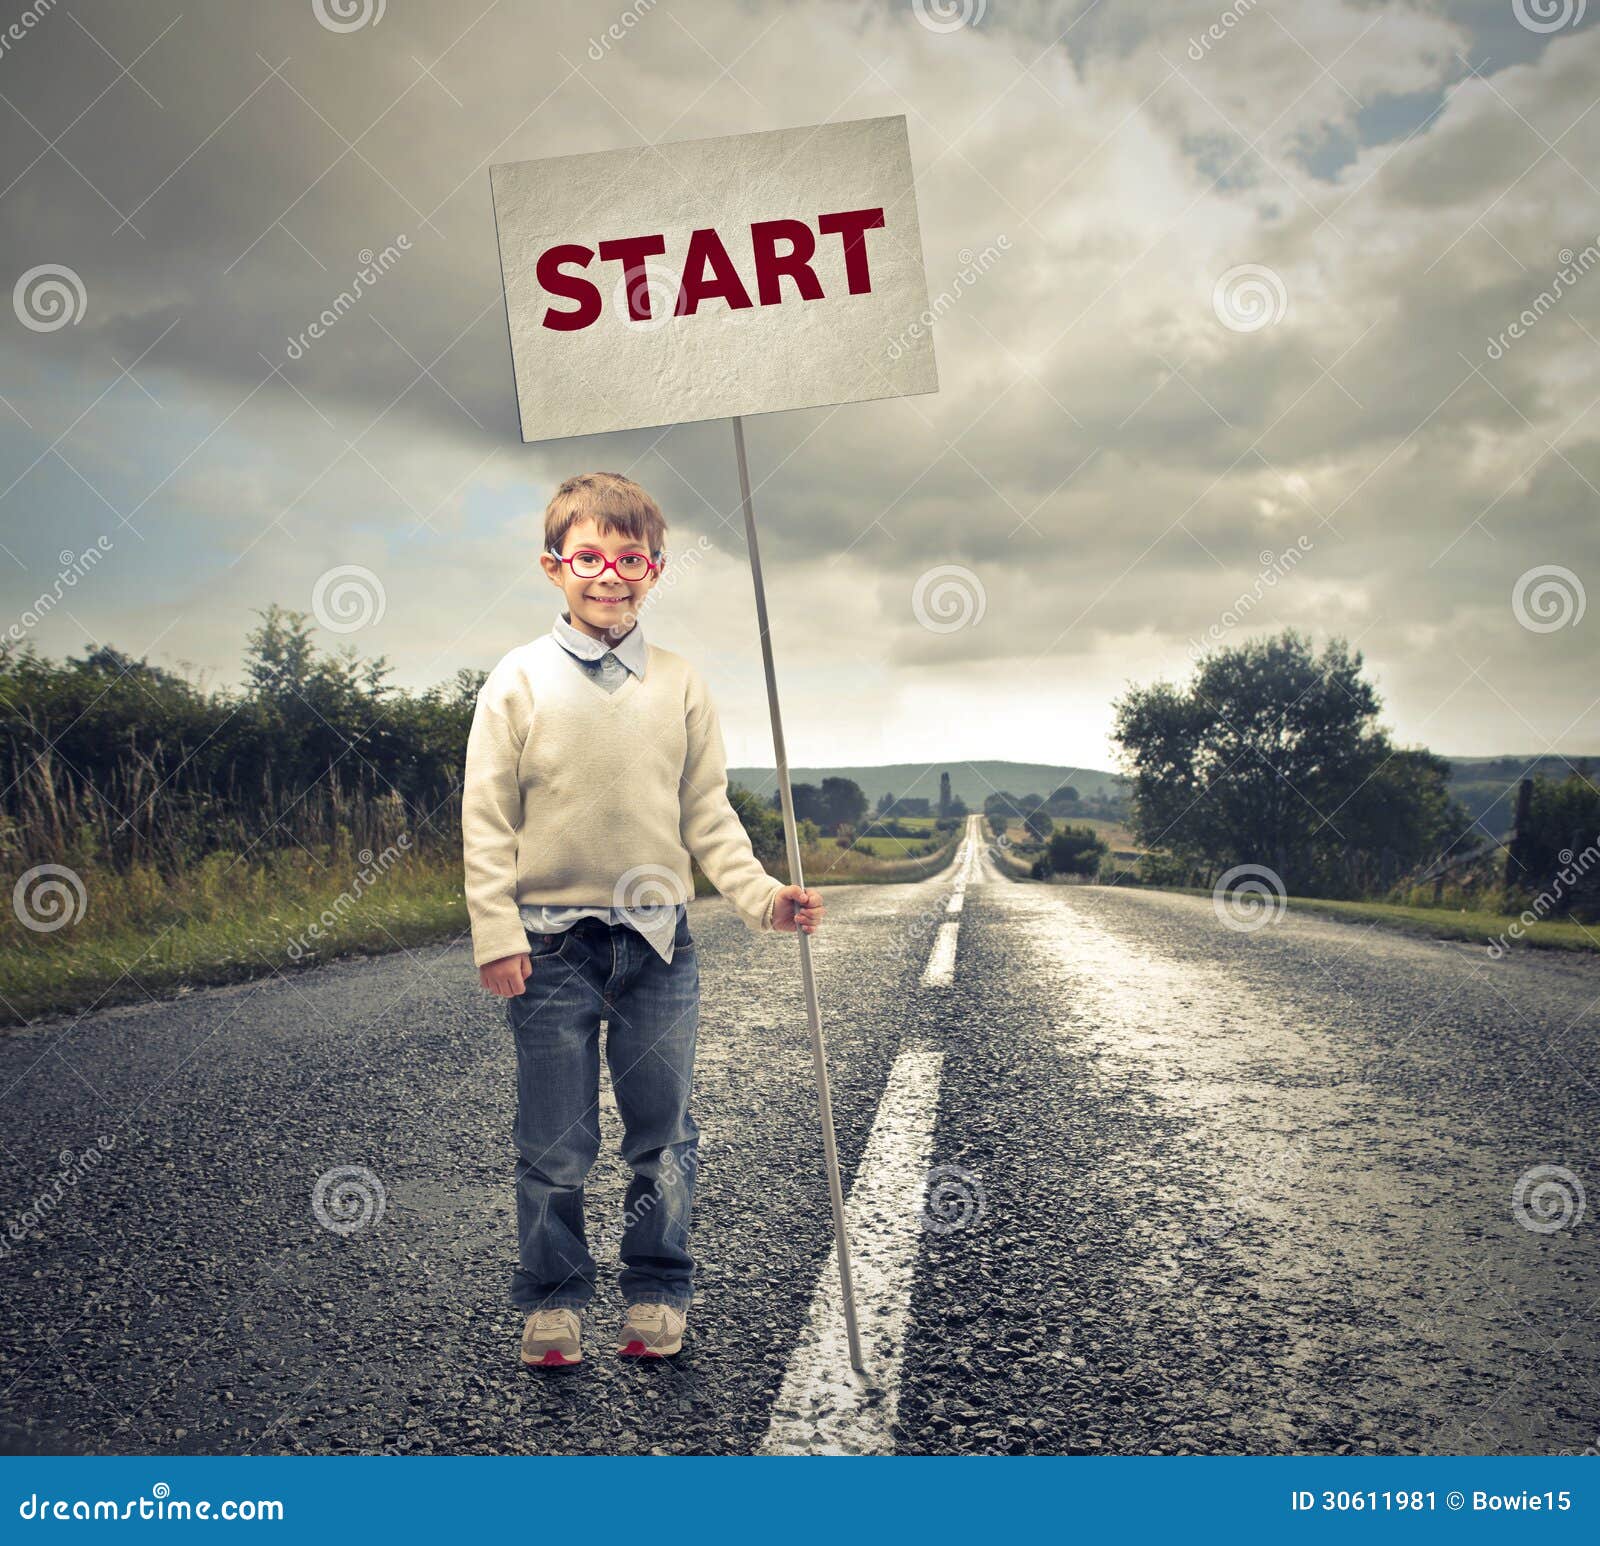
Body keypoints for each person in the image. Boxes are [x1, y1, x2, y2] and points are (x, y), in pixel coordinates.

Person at [462, 471, 823, 1368]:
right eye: (590, 557)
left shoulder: (681, 683)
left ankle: (658, 1289)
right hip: (549, 947)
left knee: (662, 1135)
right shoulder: (518, 680)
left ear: (656, 569)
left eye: (631, 559)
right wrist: (497, 933)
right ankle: (552, 1302)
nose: (611, 575)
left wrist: (763, 896)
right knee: (554, 1141)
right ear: (555, 566)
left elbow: (707, 814)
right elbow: (485, 818)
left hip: (660, 946)